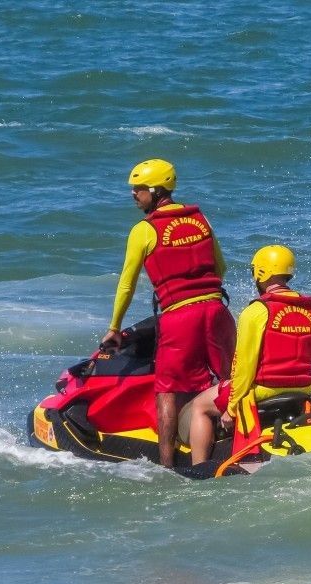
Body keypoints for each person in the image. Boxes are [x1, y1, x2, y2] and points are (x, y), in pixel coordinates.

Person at [100, 159, 235, 468]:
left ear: (156, 191)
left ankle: (167, 465)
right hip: (216, 311)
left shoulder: (144, 230)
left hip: (180, 318)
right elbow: (221, 267)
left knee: (167, 391)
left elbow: (126, 284)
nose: (134, 194)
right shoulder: (201, 219)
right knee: (229, 382)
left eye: (138, 189)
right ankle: (236, 439)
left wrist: (114, 327)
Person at [186, 245, 311, 465]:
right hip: (304, 388)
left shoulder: (256, 311)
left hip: (263, 390)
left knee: (199, 406)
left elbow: (244, 367)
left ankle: (199, 467)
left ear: (261, 273)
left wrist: (232, 407)